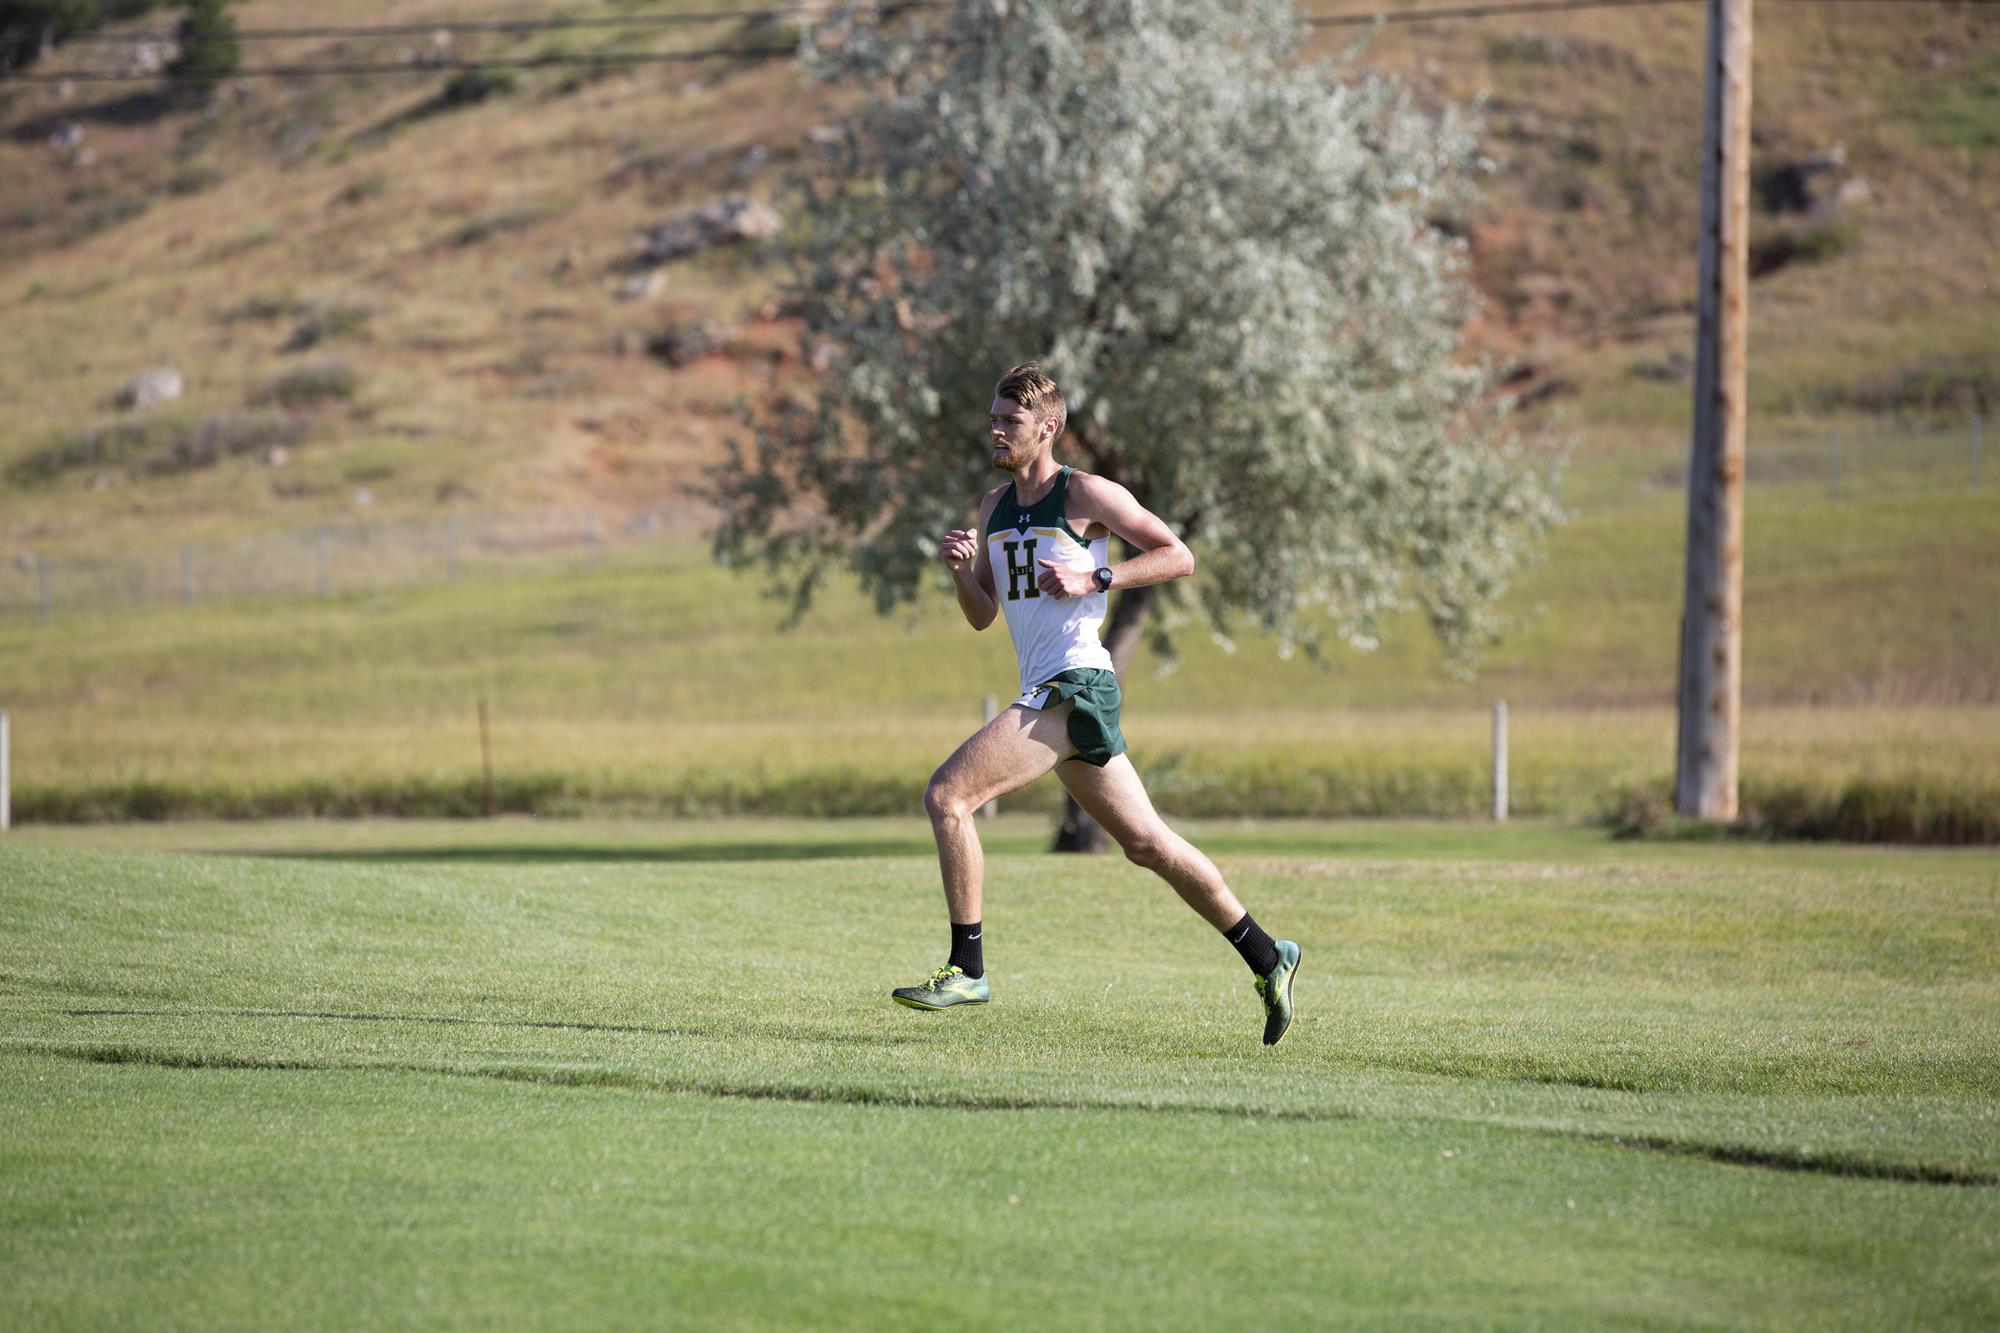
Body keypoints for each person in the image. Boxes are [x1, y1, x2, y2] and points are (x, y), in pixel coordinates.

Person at [890, 363, 1302, 1045]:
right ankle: (1268, 954)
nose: (995, 430)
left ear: (1048, 427)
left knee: (947, 796)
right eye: (992, 419)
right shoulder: (993, 505)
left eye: (1009, 421)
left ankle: (968, 967)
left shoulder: (1085, 492)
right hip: (1050, 689)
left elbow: (1178, 555)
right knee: (1147, 844)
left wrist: (1097, 572)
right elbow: (982, 615)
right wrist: (961, 572)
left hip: (1076, 683)